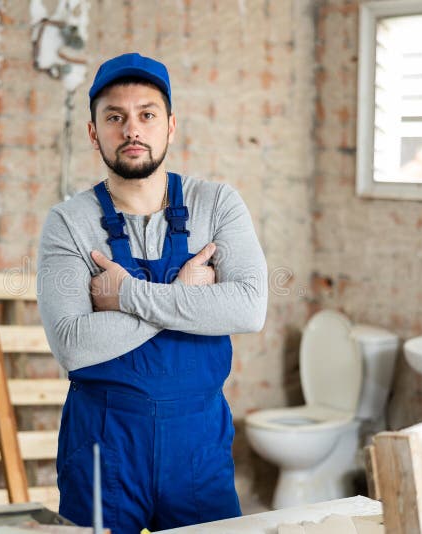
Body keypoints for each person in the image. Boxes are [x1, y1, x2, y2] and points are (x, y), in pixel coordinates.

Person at [37, 52, 268, 532]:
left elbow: (248, 307)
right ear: (94, 131)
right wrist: (186, 295)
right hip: (104, 446)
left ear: (170, 126)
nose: (132, 130)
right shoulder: (68, 223)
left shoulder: (217, 204)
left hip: (198, 448)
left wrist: (128, 296)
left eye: (147, 115)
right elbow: (73, 345)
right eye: (115, 117)